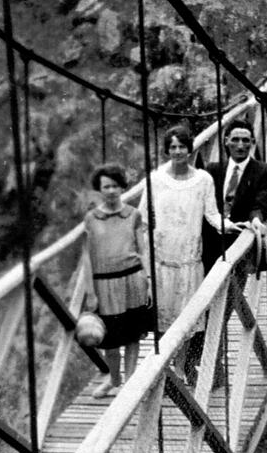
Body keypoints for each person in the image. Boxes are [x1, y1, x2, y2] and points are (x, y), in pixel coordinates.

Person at [139, 123, 236, 366]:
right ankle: (163, 370)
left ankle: (180, 370)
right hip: (162, 261)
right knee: (162, 321)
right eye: (172, 147)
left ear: (190, 149)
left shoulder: (203, 179)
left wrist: (234, 226)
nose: (178, 151)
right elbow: (140, 218)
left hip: (189, 263)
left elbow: (212, 215)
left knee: (186, 322)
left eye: (182, 146)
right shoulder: (156, 179)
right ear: (166, 150)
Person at [84, 163, 151, 399]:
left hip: (132, 279)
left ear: (122, 187)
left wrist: (148, 279)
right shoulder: (91, 219)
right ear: (99, 190)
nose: (111, 191)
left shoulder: (133, 215)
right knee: (111, 340)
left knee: (132, 335)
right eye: (106, 187)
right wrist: (90, 292)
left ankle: (129, 386)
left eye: (115, 186)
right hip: (105, 284)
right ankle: (114, 380)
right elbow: (87, 259)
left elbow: (142, 250)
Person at [201, 116, 267, 273]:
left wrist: (256, 219)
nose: (240, 145)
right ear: (226, 141)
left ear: (252, 142)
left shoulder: (264, 171)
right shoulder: (212, 170)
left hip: (240, 239)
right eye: (235, 140)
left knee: (232, 290)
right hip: (210, 239)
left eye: (245, 140)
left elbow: (261, 204)